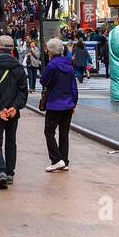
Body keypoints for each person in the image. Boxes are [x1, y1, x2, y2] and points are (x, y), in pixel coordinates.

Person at [0, 36, 29, 189]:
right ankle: (10, 172)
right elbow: (23, 90)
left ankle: (1, 170)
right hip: (13, 111)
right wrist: (15, 107)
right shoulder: (18, 67)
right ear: (12, 49)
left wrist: (0, 108)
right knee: (11, 141)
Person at [39, 37, 78, 172]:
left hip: (55, 103)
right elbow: (73, 85)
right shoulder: (68, 64)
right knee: (64, 133)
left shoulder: (51, 65)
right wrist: (74, 103)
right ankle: (65, 161)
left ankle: (56, 159)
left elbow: (43, 81)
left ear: (50, 51)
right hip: (68, 103)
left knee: (49, 131)